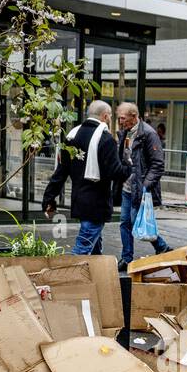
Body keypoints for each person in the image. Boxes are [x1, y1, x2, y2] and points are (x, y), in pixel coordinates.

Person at [42, 100, 125, 256]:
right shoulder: (106, 139)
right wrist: (129, 166)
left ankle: (97, 276)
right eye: (110, 117)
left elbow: (61, 172)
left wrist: (49, 198)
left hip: (79, 200)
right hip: (97, 204)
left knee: (94, 248)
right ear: (105, 116)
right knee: (81, 250)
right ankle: (69, 278)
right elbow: (116, 172)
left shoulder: (72, 136)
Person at [115, 101, 170, 270]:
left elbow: (158, 164)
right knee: (125, 223)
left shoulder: (148, 134)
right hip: (127, 187)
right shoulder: (124, 133)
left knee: (136, 222)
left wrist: (145, 185)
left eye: (122, 118)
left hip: (140, 188)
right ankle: (127, 258)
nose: (120, 121)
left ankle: (161, 246)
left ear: (134, 116)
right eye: (118, 118)